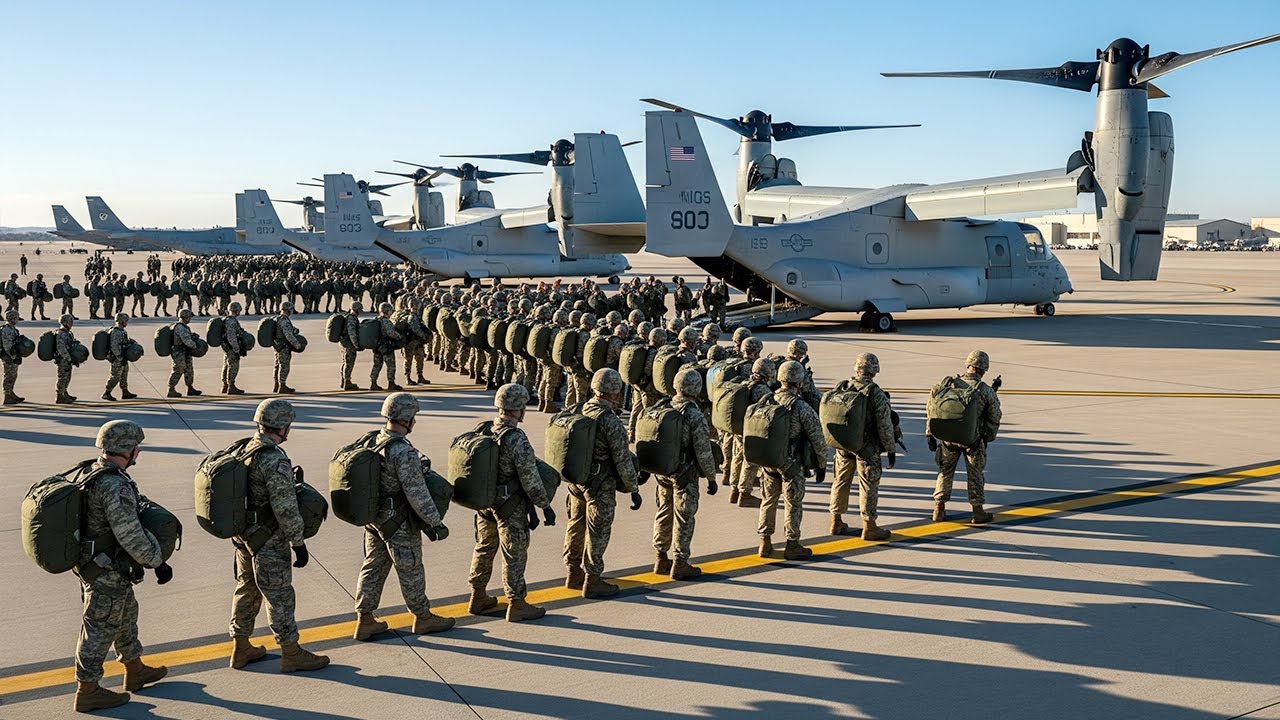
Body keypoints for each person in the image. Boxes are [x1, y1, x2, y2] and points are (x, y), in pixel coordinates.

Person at [72, 420, 170, 713]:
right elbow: (128, 531)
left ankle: (134, 669)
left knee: (125, 615)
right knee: (100, 627)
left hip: (102, 563)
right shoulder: (114, 484)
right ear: (129, 449)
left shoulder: (94, 471)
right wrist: (156, 561)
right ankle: (87, 690)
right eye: (136, 447)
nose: (138, 452)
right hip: (105, 569)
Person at [229, 399, 329, 673]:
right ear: (283, 426)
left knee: (247, 589)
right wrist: (298, 542)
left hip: (243, 537)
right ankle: (291, 652)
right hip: (268, 539)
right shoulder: (273, 458)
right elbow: (285, 507)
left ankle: (240, 647)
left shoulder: (244, 448)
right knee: (280, 595)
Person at [352, 393, 454, 640]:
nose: (415, 422)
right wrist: (435, 522)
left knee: (373, 566)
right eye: (414, 417)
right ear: (406, 418)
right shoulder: (402, 451)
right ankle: (422, 616)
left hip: (375, 520)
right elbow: (416, 491)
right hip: (397, 520)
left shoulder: (373, 440)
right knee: (411, 567)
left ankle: (364, 619)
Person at [467, 383, 556, 622]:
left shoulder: (485, 430)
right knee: (514, 553)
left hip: (486, 503)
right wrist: (544, 505)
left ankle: (478, 595)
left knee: (485, 548)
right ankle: (516, 603)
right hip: (509, 506)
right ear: (519, 408)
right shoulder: (516, 438)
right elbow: (530, 476)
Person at [564, 368, 642, 598]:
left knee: (576, 525)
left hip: (577, 481)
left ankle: (572, 571)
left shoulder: (580, 409)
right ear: (616, 393)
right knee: (598, 531)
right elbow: (622, 459)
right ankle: (593, 579)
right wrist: (633, 488)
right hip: (600, 485)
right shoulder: (610, 421)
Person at [653, 368, 719, 580]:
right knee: (684, 517)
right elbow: (703, 449)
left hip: (663, 472)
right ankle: (680, 563)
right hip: (684, 474)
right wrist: (711, 477)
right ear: (697, 389)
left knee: (664, 511)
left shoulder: (663, 406)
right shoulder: (693, 414)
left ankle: (661, 558)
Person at [758, 360, 827, 560]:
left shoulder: (766, 400)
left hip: (769, 462)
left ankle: (765, 542)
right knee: (793, 503)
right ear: (798, 382)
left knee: (768, 500)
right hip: (791, 464)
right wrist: (821, 464)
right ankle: (792, 544)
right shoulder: (800, 407)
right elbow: (817, 437)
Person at [928, 350, 1002, 524]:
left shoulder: (949, 384)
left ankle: (938, 510)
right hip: (972, 441)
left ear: (968, 364)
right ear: (984, 369)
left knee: (945, 473)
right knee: (975, 475)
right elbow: (995, 415)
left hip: (948, 439)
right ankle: (978, 512)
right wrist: (988, 436)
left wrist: (929, 433)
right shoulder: (984, 390)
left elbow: (933, 409)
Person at [829, 353, 895, 540]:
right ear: (874, 370)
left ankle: (836, 520)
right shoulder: (875, 393)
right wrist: (890, 448)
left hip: (843, 446)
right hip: (866, 448)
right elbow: (885, 425)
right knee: (868, 485)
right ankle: (869, 526)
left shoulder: (843, 387)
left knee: (840, 481)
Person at [102, 313, 138, 401]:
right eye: (125, 321)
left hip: (123, 356)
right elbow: (114, 346)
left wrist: (130, 342)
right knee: (115, 376)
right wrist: (119, 357)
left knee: (124, 374)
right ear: (121, 321)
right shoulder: (116, 332)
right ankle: (107, 392)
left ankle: (125, 391)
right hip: (117, 358)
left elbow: (122, 342)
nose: (127, 322)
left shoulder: (122, 331)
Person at [167, 309, 200, 398]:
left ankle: (190, 388)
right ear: (185, 318)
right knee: (178, 370)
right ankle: (171, 389)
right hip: (179, 353)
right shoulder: (180, 327)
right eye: (189, 317)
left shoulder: (184, 327)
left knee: (189, 370)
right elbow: (187, 341)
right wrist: (195, 345)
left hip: (185, 352)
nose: (190, 319)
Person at [370, 302, 403, 391]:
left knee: (377, 365)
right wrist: (399, 337)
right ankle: (391, 384)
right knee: (391, 365)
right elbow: (391, 333)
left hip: (376, 347)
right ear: (387, 311)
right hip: (386, 347)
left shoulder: (375, 320)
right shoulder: (386, 321)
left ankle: (373, 383)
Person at [272, 302, 303, 394]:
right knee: (284, 366)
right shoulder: (284, 321)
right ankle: (282, 385)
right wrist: (297, 345)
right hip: (283, 346)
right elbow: (288, 335)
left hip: (277, 346)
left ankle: (276, 385)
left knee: (277, 365)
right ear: (288, 310)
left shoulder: (277, 318)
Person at [55, 313, 79, 404]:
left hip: (67, 359)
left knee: (67, 377)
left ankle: (64, 392)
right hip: (63, 359)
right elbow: (61, 348)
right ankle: (59, 396)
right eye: (70, 322)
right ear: (65, 323)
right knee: (62, 377)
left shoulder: (68, 333)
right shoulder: (61, 333)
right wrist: (69, 358)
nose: (71, 324)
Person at [2, 309, 24, 404]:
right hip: (8, 357)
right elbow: (7, 346)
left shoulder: (12, 329)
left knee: (13, 375)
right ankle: (7, 396)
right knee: (8, 376)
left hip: (12, 356)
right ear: (12, 319)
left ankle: (11, 393)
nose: (17, 320)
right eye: (16, 318)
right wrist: (14, 356)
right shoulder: (6, 330)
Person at [340, 302, 362, 390]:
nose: (361, 311)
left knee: (345, 362)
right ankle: (347, 382)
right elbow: (351, 333)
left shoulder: (348, 316)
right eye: (360, 309)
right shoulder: (352, 319)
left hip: (344, 343)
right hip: (349, 344)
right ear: (356, 309)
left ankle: (343, 380)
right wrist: (356, 345)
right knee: (349, 363)